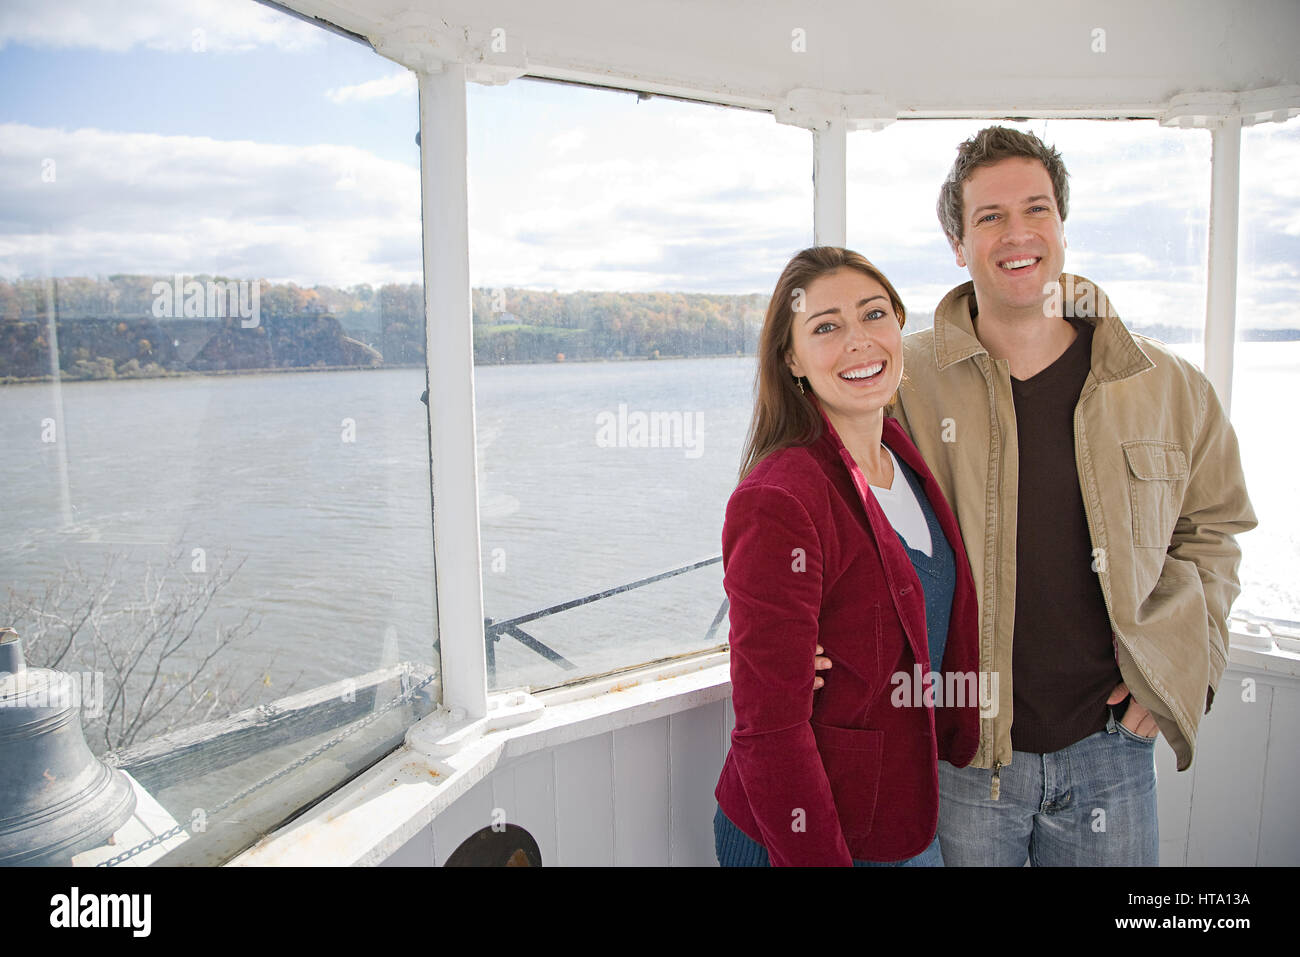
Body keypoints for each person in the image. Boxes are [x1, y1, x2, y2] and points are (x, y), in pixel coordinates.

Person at [890, 126, 1257, 865]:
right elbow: (832, 511)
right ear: (958, 243)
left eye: (1037, 209)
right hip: (963, 756)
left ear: (1062, 225)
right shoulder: (903, 381)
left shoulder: (1168, 386)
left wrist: (1182, 668)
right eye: (990, 216)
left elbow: (1213, 530)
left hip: (1111, 753)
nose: (1017, 233)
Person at [713, 246, 981, 867]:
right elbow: (768, 731)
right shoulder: (780, 498)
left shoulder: (901, 453)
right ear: (792, 359)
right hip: (811, 831)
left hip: (905, 812)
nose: (859, 341)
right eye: (826, 327)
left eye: (874, 314)